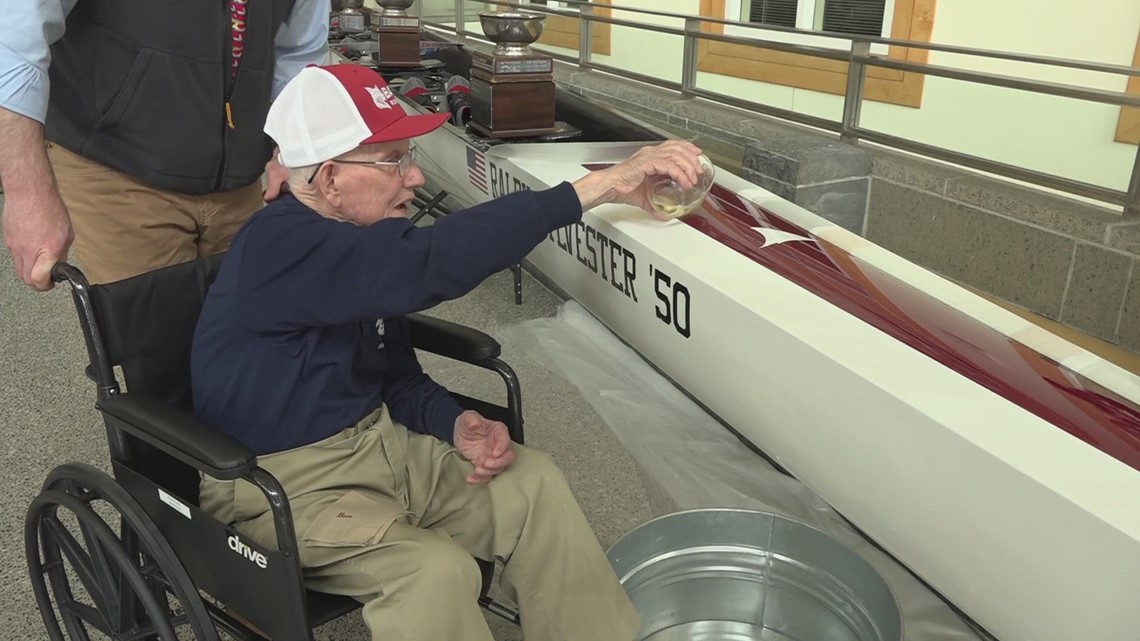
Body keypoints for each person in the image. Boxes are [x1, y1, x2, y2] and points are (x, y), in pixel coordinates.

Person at [190, 63, 704, 641]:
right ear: (329, 178)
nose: (413, 179)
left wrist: (455, 422)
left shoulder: (364, 245)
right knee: (435, 571)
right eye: (393, 161)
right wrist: (598, 187)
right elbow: (434, 261)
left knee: (532, 482)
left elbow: (396, 377)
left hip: (379, 445)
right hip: (280, 486)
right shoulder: (283, 244)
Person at [0, 0, 331, 291]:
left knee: (247, 342)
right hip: (118, 167)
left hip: (241, 181)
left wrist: (295, 153)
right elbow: (13, 43)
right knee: (156, 351)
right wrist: (27, 195)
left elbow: (298, 54)